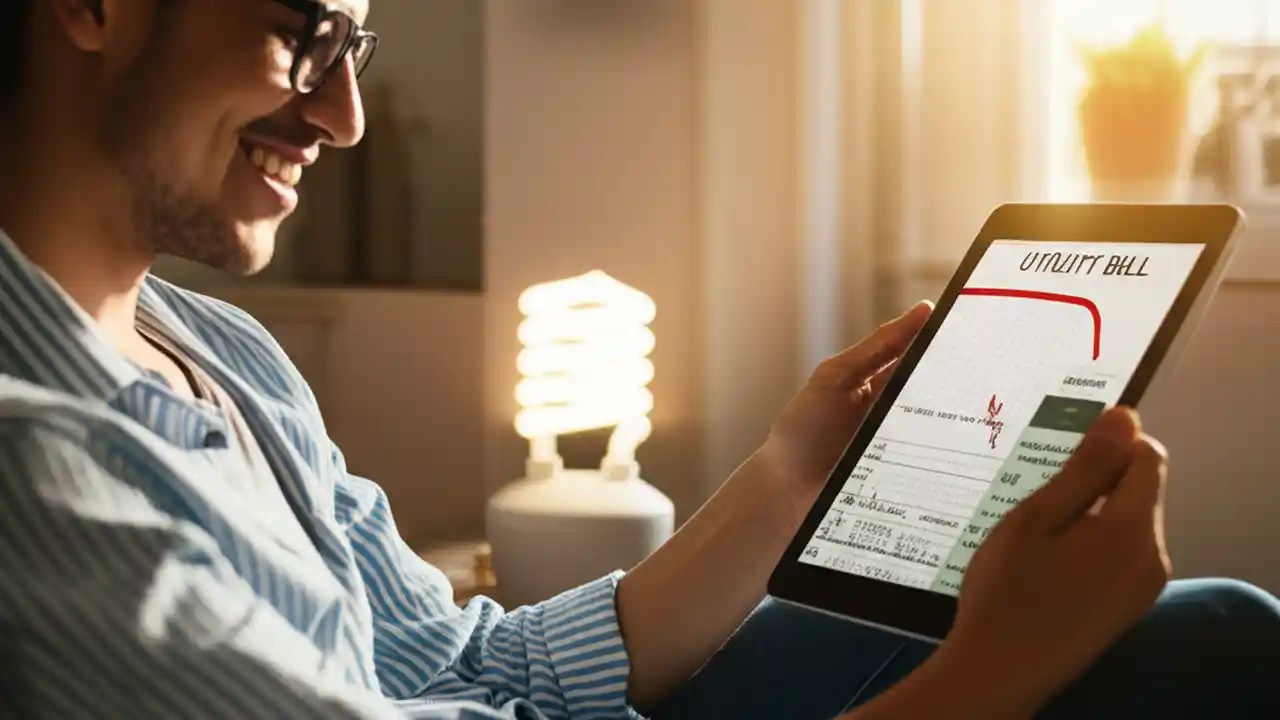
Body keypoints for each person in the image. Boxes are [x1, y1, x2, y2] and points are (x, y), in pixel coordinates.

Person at [0, 1, 1275, 718]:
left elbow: (462, 666)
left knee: (1215, 625)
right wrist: (988, 677)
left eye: (356, 54)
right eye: (307, 36)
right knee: (1206, 647)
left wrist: (784, 479)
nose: (343, 117)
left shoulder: (222, 350)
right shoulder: (36, 466)